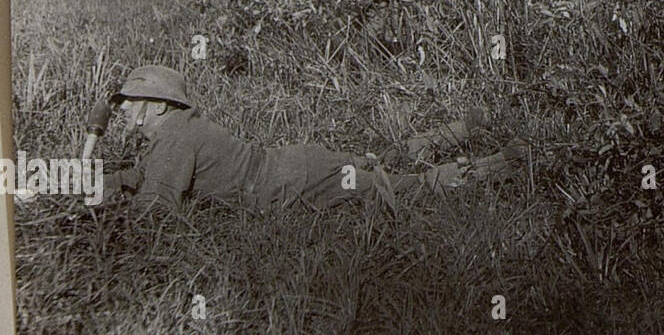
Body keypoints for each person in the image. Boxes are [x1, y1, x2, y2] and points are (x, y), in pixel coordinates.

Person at [89, 66, 525, 212]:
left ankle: (499, 165)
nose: (122, 108)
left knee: (399, 190)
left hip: (292, 181)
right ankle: (458, 132)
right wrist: (79, 183)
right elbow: (139, 176)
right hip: (296, 163)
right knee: (377, 160)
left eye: (130, 100)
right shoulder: (177, 134)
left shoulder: (175, 140)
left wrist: (100, 216)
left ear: (160, 106)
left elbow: (155, 207)